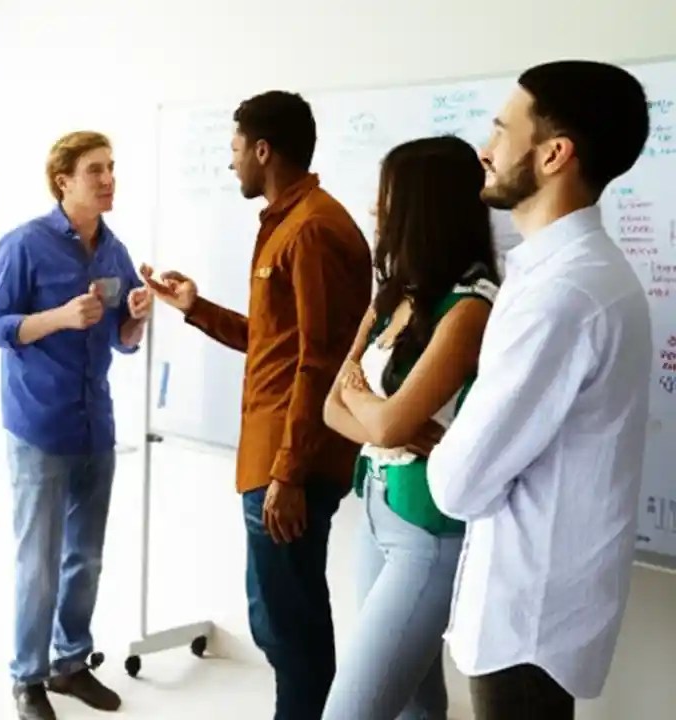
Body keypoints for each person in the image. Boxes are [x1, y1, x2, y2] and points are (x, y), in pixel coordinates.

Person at [426, 60, 652, 720]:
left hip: (526, 626)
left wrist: (443, 441)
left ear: (554, 154)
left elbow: (458, 485)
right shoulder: (558, 274)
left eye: (501, 130)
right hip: (526, 615)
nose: (485, 150)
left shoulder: (564, 295)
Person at [145, 90, 371, 720]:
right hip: (270, 459)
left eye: (237, 150)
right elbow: (276, 342)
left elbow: (321, 360)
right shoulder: (286, 223)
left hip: (287, 464)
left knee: (289, 625)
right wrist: (196, 309)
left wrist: (289, 472)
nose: (232, 163)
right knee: (277, 619)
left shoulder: (314, 229)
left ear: (264, 150)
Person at [319, 136, 498, 720]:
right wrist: (384, 422)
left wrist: (374, 411)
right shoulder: (392, 295)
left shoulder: (469, 306)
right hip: (374, 509)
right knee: (416, 707)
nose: (376, 211)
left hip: (429, 533)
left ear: (425, 208)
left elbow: (387, 418)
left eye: (387, 198)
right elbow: (331, 407)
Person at [0, 130, 152, 720]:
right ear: (64, 181)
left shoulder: (114, 252)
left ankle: (70, 664)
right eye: (95, 170)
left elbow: (122, 343)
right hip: (39, 428)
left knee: (87, 556)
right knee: (39, 559)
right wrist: (57, 316)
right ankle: (26, 678)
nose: (108, 180)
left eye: (111, 168)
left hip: (95, 426)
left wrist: (136, 319)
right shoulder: (23, 245)